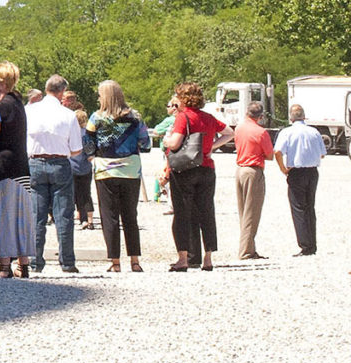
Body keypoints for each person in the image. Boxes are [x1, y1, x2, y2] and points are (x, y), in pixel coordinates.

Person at [163, 81, 228, 271]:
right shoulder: (208, 117)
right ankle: (208, 258)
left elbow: (175, 143)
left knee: (182, 213)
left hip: (185, 169)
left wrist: (166, 140)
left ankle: (183, 258)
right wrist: (210, 148)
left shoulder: (184, 117)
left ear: (183, 99)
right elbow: (229, 133)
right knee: (206, 212)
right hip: (206, 167)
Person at [25, 74, 84, 274]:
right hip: (60, 163)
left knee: (36, 214)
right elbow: (76, 149)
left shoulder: (30, 111)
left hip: (35, 161)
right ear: (61, 92)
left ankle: (34, 260)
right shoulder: (68, 115)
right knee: (64, 215)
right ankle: (67, 261)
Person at [86, 78, 147, 272]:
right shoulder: (136, 117)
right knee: (130, 215)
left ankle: (115, 261)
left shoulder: (96, 118)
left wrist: (92, 157)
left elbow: (88, 144)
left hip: (105, 171)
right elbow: (146, 144)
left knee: (109, 216)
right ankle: (135, 260)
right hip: (130, 171)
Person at [0, 62, 35, 277]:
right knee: (22, 216)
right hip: (20, 165)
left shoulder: (3, 106)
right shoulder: (17, 102)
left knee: (4, 215)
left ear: (1, 82)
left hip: (3, 166)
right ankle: (23, 264)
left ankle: (5, 264)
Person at [273, 103, 325, 256]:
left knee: (298, 208)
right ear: (304, 116)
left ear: (291, 117)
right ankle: (312, 243)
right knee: (310, 207)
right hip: (312, 172)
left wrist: (283, 168)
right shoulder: (314, 131)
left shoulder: (287, 132)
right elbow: (322, 153)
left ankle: (305, 245)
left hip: (296, 172)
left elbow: (277, 152)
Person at [233, 100, 273, 260]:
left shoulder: (239, 128)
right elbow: (270, 155)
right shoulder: (261, 132)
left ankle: (249, 247)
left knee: (243, 211)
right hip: (253, 170)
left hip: (240, 169)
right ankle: (245, 251)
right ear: (261, 116)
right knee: (252, 212)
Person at [65, 90, 96, 230]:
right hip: (85, 168)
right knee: (85, 194)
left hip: (71, 167)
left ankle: (70, 219)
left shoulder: (71, 133)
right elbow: (90, 153)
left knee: (70, 194)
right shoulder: (87, 135)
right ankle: (87, 220)